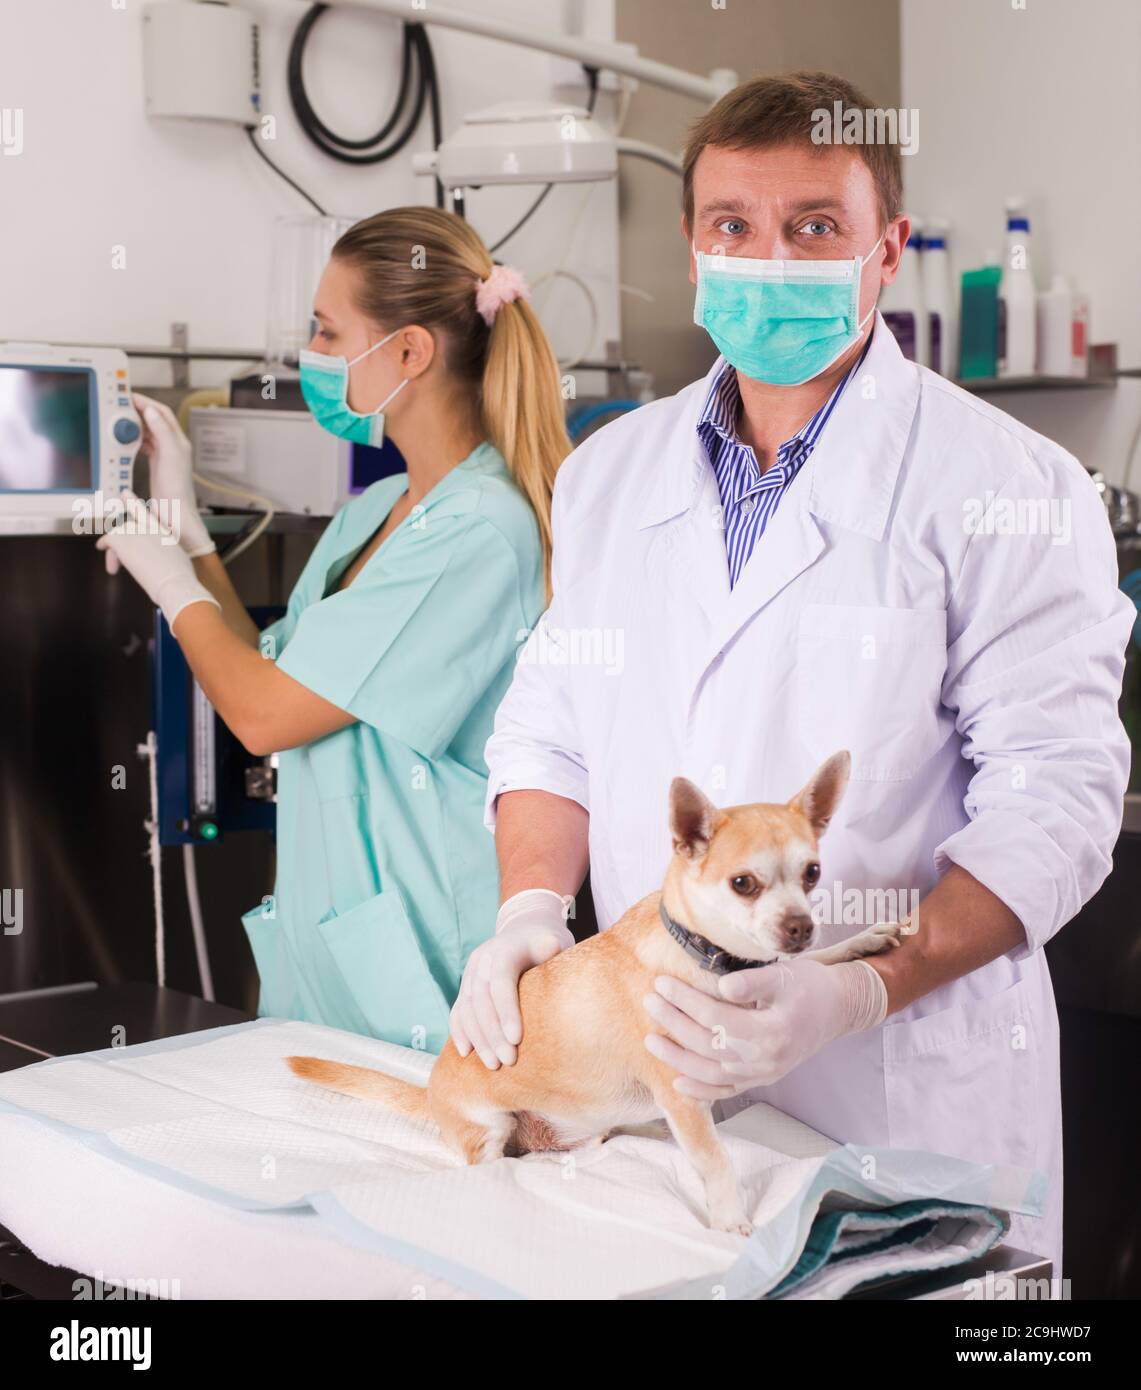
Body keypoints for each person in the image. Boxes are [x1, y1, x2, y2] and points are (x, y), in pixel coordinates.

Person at [451, 72, 1134, 1274]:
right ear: (693, 245)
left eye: (814, 226)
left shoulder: (1012, 486)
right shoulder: (611, 475)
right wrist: (527, 915)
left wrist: (858, 992)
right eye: (734, 227)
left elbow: (1057, 805)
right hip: (653, 1090)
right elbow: (550, 733)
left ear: (885, 251)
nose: (769, 259)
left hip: (902, 1099)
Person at [99, 207, 570, 1053]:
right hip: (338, 953)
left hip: (424, 962)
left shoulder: (479, 532)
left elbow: (263, 716)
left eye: (326, 330)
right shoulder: (380, 512)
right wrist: (192, 539)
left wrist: (168, 582)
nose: (310, 356)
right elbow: (271, 671)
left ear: (410, 351)